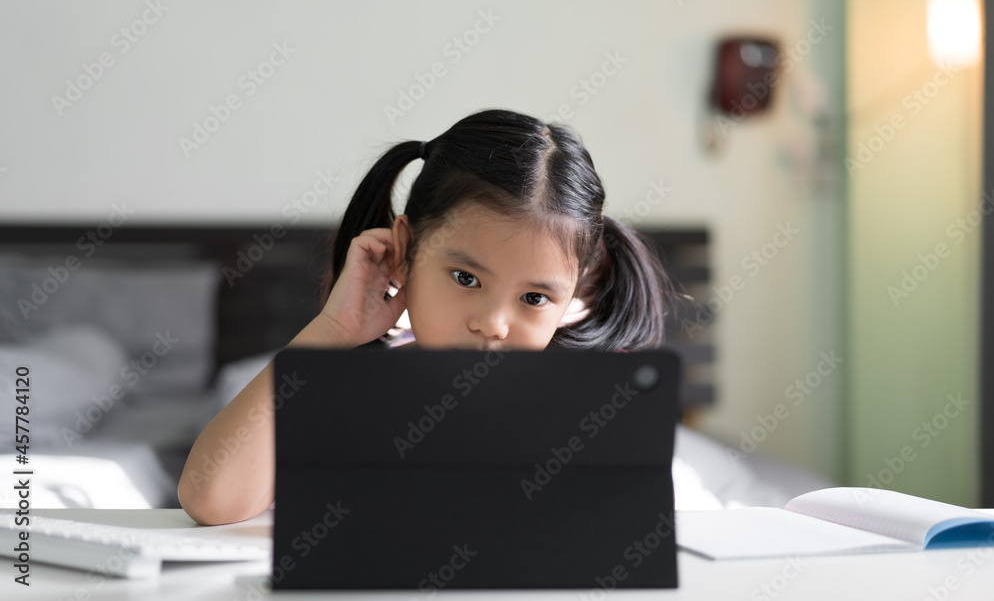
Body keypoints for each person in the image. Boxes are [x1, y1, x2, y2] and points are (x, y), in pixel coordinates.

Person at [177, 108, 679, 525]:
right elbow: (211, 501)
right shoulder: (349, 392)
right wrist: (332, 332)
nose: (493, 323)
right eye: (465, 278)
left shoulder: (586, 406)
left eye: (534, 298)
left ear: (570, 298)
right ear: (405, 252)